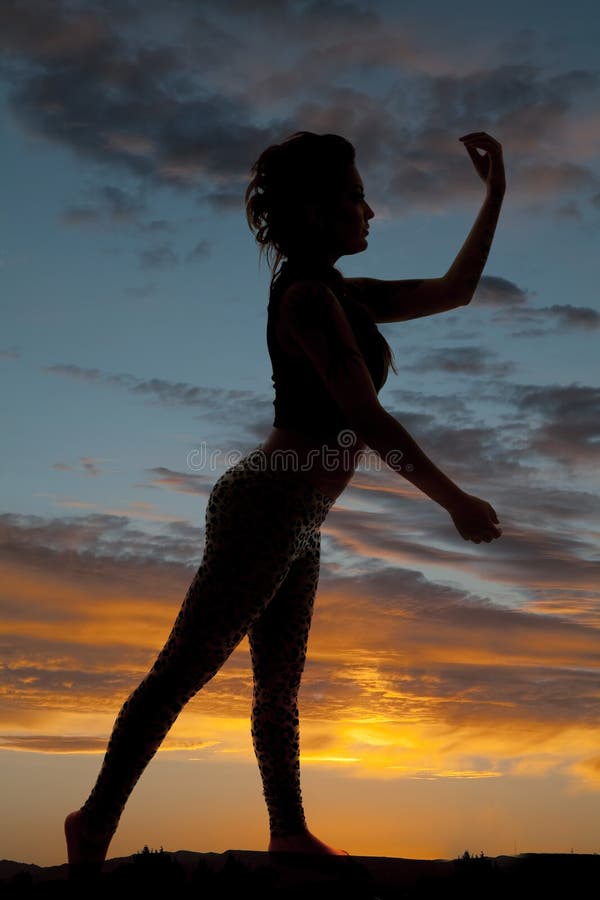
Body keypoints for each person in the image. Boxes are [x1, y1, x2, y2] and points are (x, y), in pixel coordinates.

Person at [64, 129, 505, 875]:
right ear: (314, 209)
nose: (370, 211)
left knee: (279, 687)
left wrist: (495, 196)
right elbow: (363, 415)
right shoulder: (305, 298)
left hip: (298, 516)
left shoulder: (345, 297)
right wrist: (452, 500)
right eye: (355, 197)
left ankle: (288, 832)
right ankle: (95, 820)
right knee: (185, 668)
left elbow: (454, 291)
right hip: (266, 504)